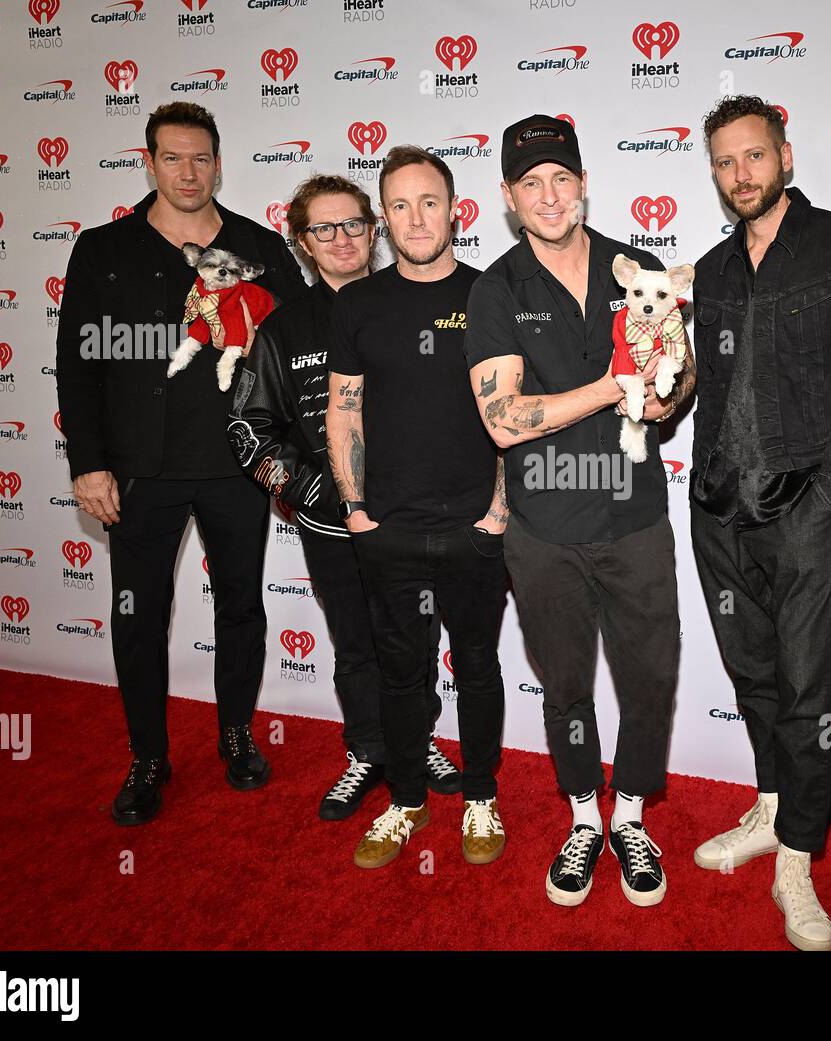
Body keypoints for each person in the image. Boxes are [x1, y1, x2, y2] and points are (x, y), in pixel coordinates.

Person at [55, 102, 308, 825]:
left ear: (219, 163)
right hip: (139, 471)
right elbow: (80, 363)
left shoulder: (260, 247)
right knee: (138, 617)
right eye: (173, 158)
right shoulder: (103, 250)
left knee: (241, 605)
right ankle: (148, 756)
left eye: (201, 158)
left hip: (238, 465)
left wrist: (289, 452)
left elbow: (297, 354)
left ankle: (237, 734)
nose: (189, 172)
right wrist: (89, 462)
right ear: (149, 162)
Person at [464, 115, 693, 908]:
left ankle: (630, 814)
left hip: (635, 518)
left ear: (585, 182)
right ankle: (582, 816)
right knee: (564, 685)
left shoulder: (642, 268)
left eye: (562, 177)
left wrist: (669, 383)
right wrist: (610, 386)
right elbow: (503, 419)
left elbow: (680, 382)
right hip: (545, 531)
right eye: (531, 183)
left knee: (651, 676)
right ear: (507, 197)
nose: (550, 195)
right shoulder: (495, 289)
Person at [688, 96, 831, 950]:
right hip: (718, 508)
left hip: (805, 506)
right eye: (726, 162)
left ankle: (798, 859)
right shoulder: (710, 269)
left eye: (754, 156)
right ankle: (773, 808)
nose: (742, 174)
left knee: (810, 690)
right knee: (755, 678)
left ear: (785, 155)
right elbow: (707, 394)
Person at [226, 174, 461, 822]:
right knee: (356, 644)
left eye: (353, 224)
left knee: (415, 638)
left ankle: (418, 743)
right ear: (303, 241)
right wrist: (307, 489)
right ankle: (367, 748)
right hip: (333, 527)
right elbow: (248, 429)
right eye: (324, 228)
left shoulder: (411, 302)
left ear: (374, 228)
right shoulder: (283, 329)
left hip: (415, 519)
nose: (341, 239)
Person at [326, 146, 510, 870]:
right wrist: (357, 508)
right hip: (388, 529)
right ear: (383, 218)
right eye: (398, 205)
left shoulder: (490, 295)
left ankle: (482, 794)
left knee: (477, 666)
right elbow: (345, 412)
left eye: (428, 201)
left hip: (474, 528)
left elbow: (510, 408)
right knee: (401, 673)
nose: (415, 218)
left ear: (456, 208)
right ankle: (405, 799)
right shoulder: (357, 303)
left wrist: (496, 511)